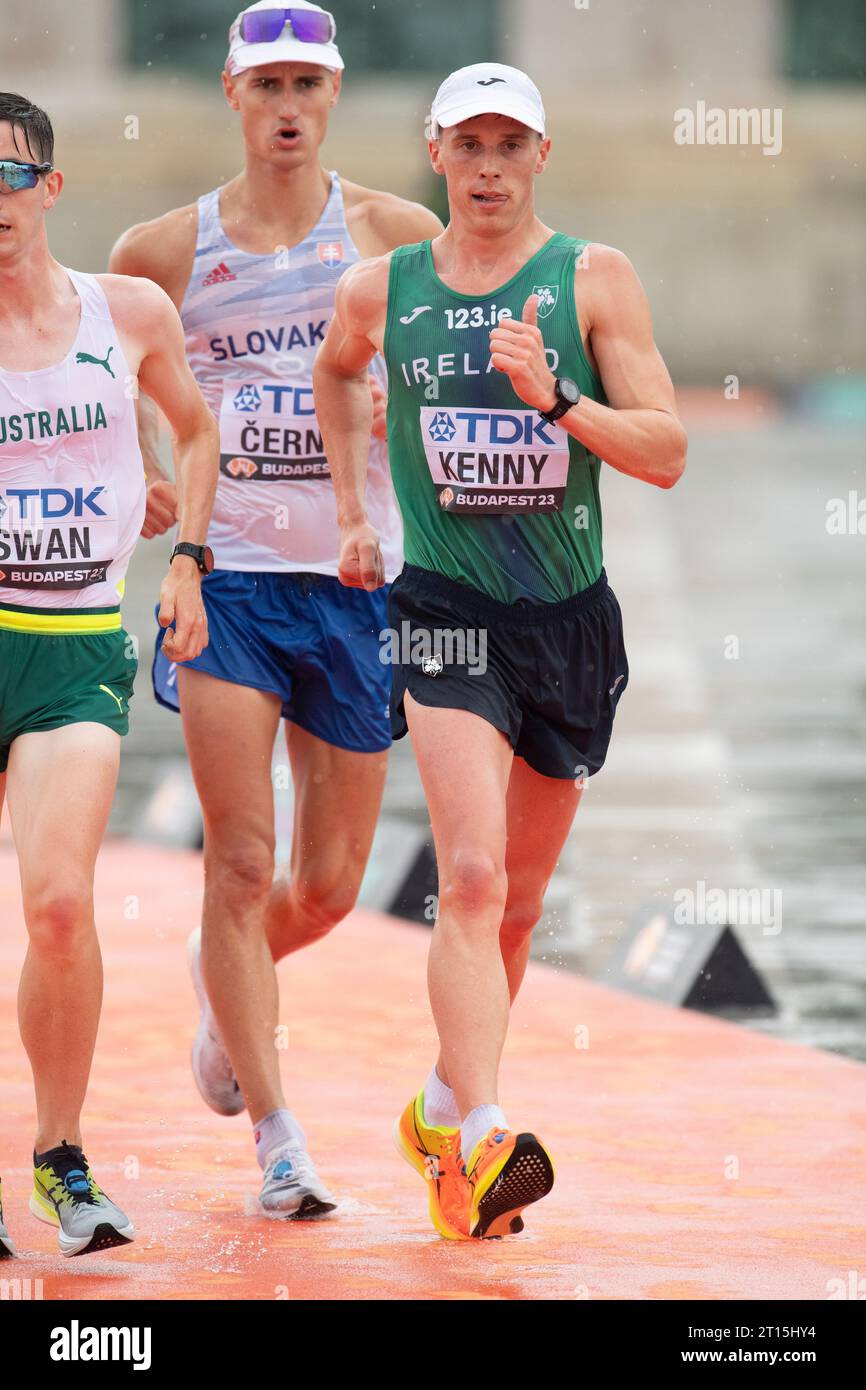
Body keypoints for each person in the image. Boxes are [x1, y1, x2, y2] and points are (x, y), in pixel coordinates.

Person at [313, 62, 688, 1239]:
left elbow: (666, 449)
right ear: (435, 155)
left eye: (506, 147)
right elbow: (333, 372)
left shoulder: (592, 279)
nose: (485, 168)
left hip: (567, 620)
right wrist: (354, 513)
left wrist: (555, 402)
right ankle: (482, 1137)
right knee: (467, 880)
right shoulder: (383, 288)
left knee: (517, 907)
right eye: (465, 146)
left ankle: (435, 1111)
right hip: (444, 611)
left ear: (539, 158)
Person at [109, 1, 443, 1216]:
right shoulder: (166, 249)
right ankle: (278, 1139)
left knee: (328, 883)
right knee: (240, 860)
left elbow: (446, 356)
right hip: (229, 580)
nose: (288, 105)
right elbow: (103, 352)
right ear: (233, 96)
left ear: (336, 94)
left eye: (308, 83)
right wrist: (146, 462)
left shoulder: (394, 235)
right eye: (268, 86)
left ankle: (217, 980)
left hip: (358, 584)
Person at [0, 93, 217, 1256]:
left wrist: (183, 549)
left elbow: (196, 428)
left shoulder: (124, 310)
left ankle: (59, 1157)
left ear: (49, 190)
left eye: (6, 175)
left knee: (58, 903)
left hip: (75, 642)